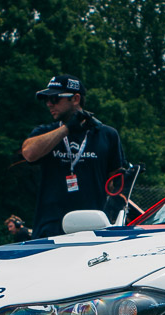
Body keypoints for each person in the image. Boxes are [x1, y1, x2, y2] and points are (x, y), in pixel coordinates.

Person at [17, 73, 129, 238]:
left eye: (55, 99)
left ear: (75, 99)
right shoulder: (45, 132)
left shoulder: (106, 134)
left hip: (92, 227)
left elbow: (115, 183)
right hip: (50, 227)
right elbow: (29, 153)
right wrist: (67, 128)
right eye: (46, 99)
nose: (49, 104)